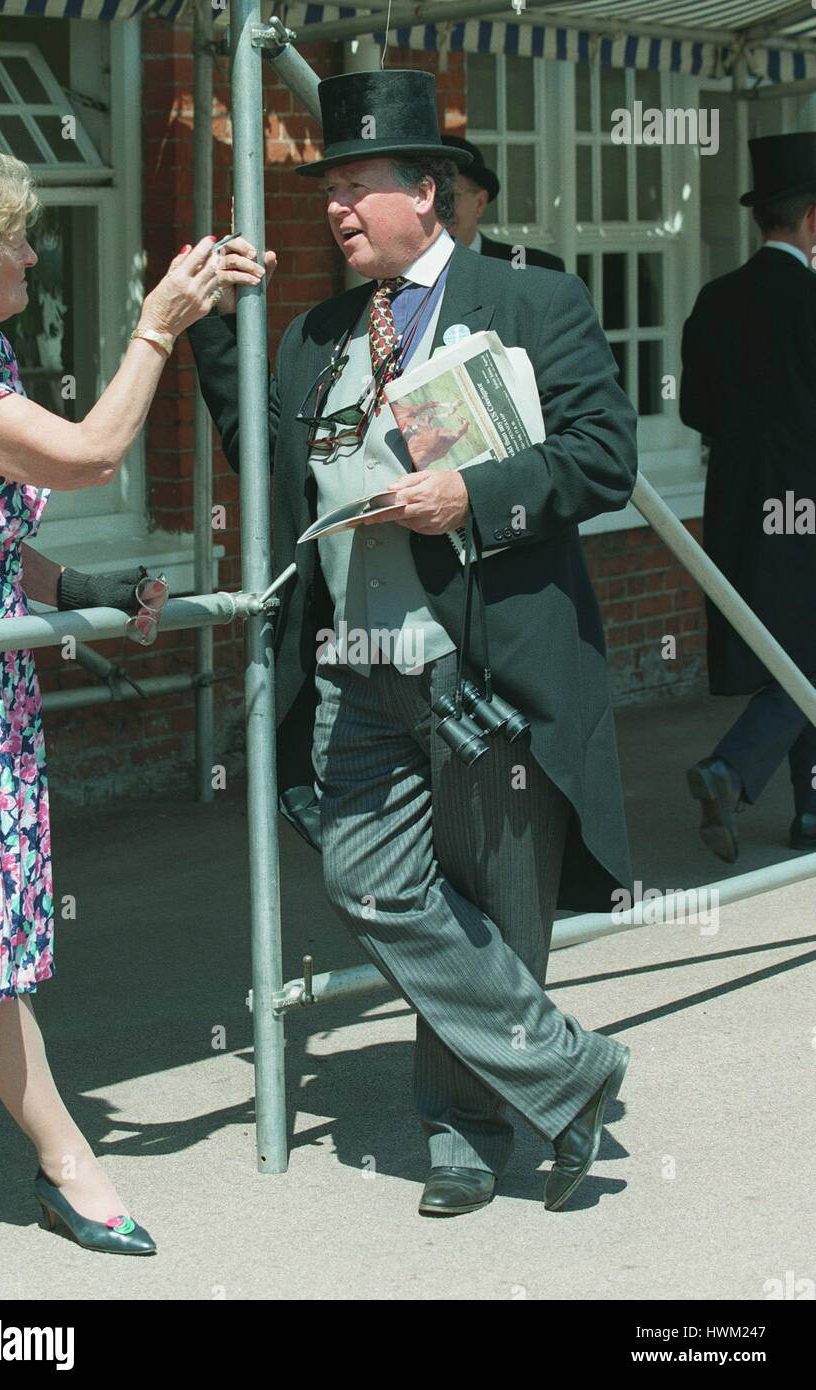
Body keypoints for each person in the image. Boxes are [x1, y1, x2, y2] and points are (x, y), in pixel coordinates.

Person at [189, 69, 637, 1216]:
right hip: (355, 663)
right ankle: (565, 1068)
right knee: (368, 876)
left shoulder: (530, 299)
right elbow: (266, 456)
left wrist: (475, 497)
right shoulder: (316, 333)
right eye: (328, 190)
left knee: (493, 894)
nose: (336, 208)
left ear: (426, 194)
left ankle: (462, 1131)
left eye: (356, 186)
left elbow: (601, 457)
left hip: (486, 663)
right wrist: (210, 329)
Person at [0, 146, 239, 1252]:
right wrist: (157, 324)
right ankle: (67, 1158)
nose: (30, 254)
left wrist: (91, 590)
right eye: (14, 238)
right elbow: (92, 456)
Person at [680, 132, 816, 863]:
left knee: (792, 650)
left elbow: (694, 410)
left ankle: (808, 812)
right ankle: (730, 769)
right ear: (812, 220)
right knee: (805, 657)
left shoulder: (714, 298)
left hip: (735, 504)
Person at [441, 133, 566, 272]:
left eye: (448, 196)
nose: (433, 209)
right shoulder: (412, 271)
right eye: (422, 197)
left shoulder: (536, 270)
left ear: (479, 203)